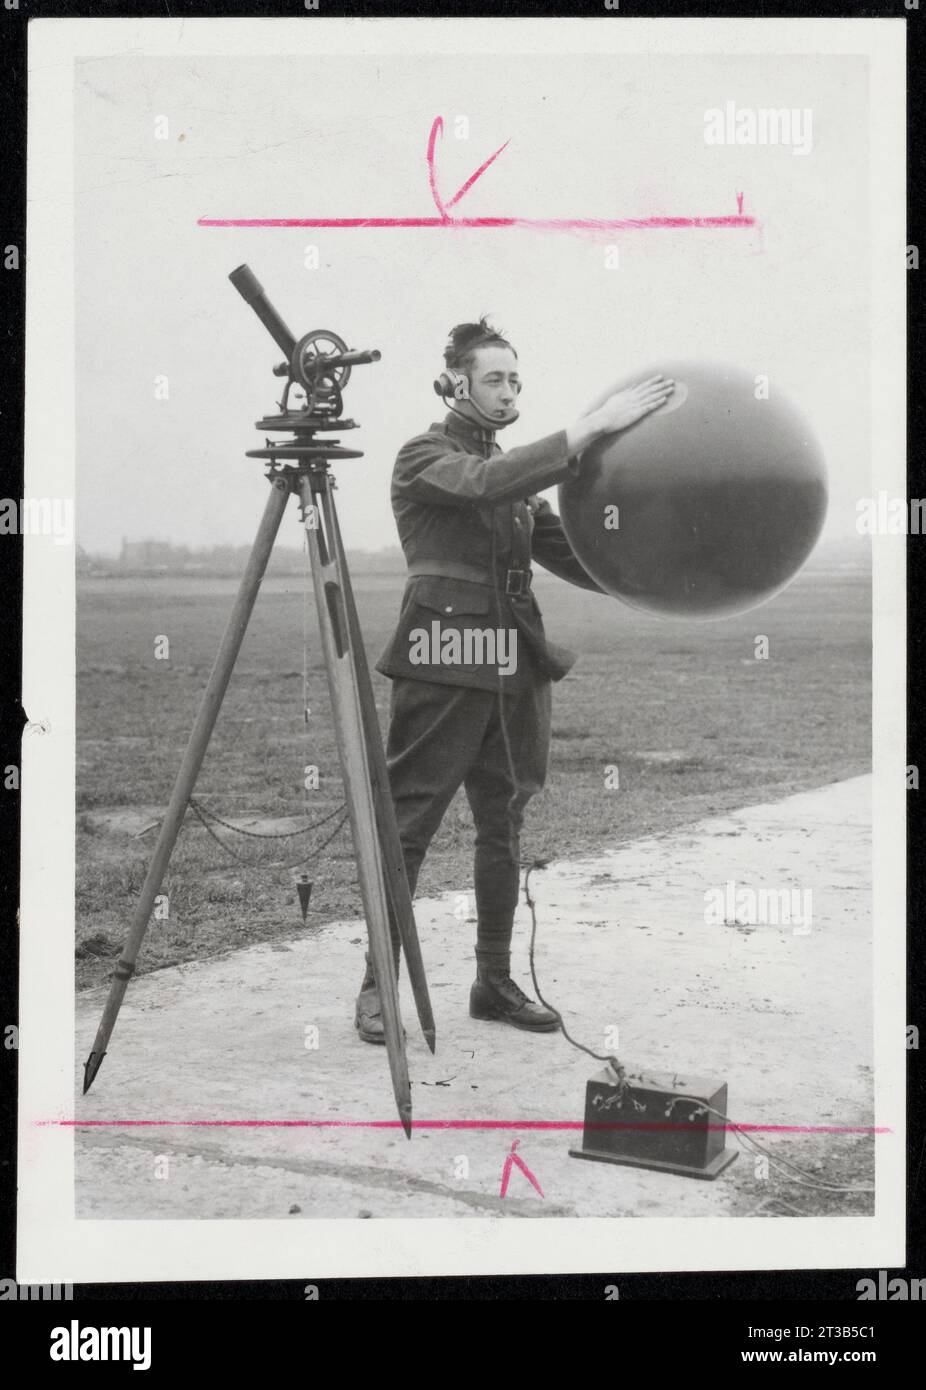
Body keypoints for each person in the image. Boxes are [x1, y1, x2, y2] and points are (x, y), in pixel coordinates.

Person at [356, 317, 674, 1041]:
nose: (509, 391)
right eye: (495, 379)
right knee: (409, 826)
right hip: (442, 654)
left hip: (515, 659)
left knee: (503, 823)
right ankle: (377, 989)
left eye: (516, 379)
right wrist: (586, 431)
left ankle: (492, 983)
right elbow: (484, 482)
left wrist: (667, 582)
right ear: (455, 384)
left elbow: (586, 558)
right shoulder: (424, 456)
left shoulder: (522, 490)